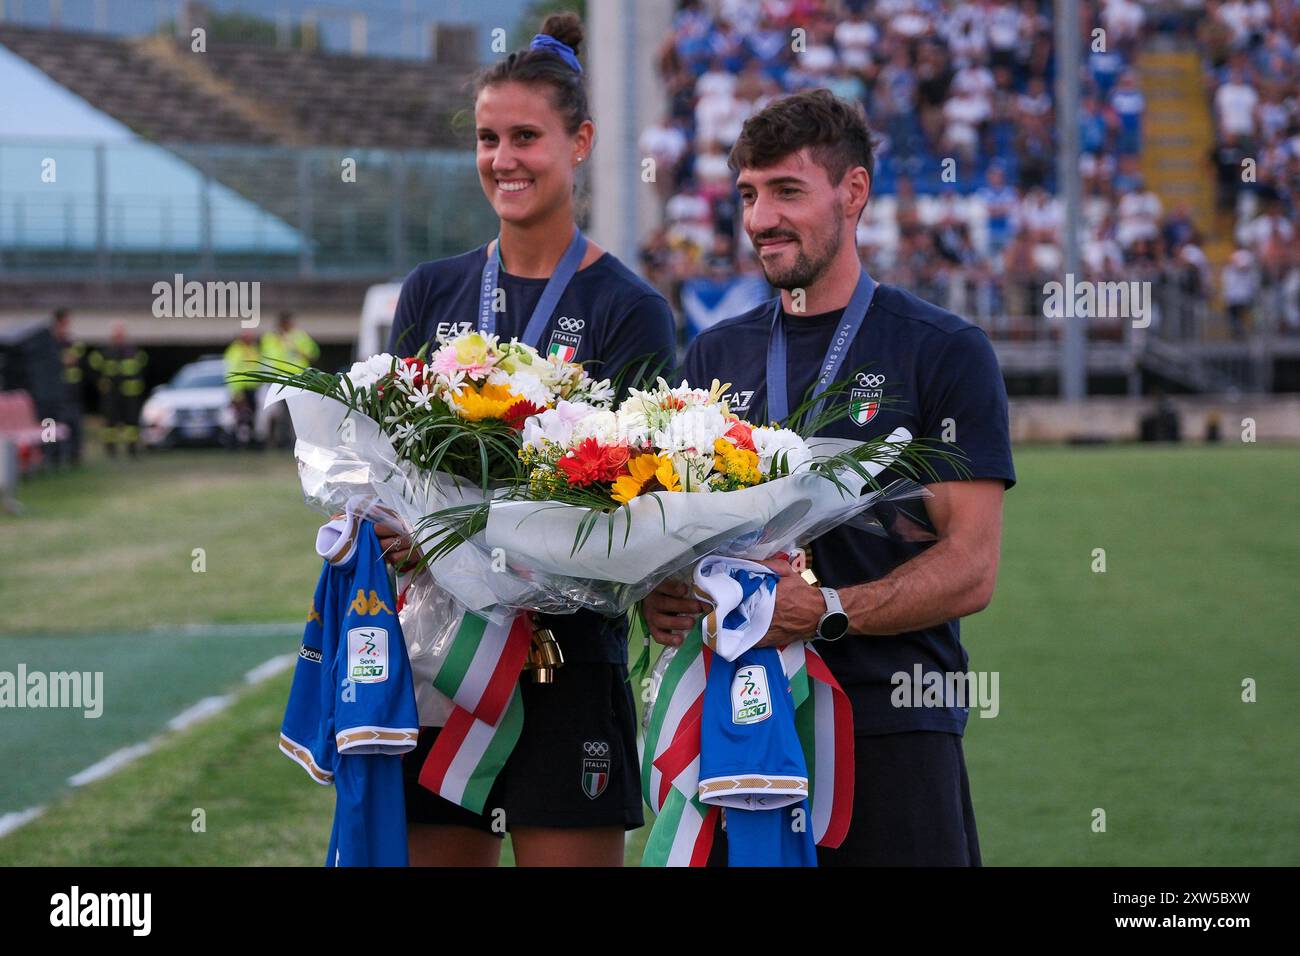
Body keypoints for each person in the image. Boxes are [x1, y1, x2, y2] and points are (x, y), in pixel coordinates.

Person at [642, 89, 1016, 866]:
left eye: (786, 191)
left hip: (893, 722)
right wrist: (664, 593)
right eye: (748, 193)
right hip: (741, 718)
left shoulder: (943, 349)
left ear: (852, 193)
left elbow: (971, 567)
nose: (760, 218)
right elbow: (683, 541)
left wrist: (828, 609)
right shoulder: (715, 356)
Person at [379, 11, 677, 867]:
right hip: (440, 660)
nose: (502, 159)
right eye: (486, 138)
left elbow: (639, 502)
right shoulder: (431, 293)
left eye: (525, 137)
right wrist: (387, 526)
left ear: (580, 143)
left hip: (568, 664)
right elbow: (386, 465)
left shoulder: (630, 309)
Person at [88, 321, 148, 458]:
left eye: (121, 332)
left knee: (131, 423)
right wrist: (99, 382)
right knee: (110, 423)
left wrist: (138, 385)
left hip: (130, 394)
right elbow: (91, 367)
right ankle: (111, 451)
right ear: (112, 334)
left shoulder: (133, 351)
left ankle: (132, 449)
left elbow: (143, 369)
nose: (119, 336)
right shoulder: (104, 351)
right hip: (111, 394)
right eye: (117, 333)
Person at [261, 312, 318, 447]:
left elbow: (313, 353)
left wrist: (295, 347)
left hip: (297, 378)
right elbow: (267, 356)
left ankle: (295, 439)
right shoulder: (270, 338)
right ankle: (277, 440)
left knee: (296, 411)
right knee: (276, 412)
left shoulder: (299, 336)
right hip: (277, 379)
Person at [50, 308, 86, 467]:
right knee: (50, 426)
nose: (67, 327)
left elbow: (74, 359)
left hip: (72, 395)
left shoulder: (71, 343)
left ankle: (74, 456)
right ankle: (51, 457)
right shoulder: (49, 343)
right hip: (53, 395)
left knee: (74, 427)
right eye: (65, 323)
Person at [223, 328, 262, 448]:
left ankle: (249, 440)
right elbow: (232, 371)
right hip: (241, 388)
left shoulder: (253, 349)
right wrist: (236, 391)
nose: (252, 338)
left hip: (252, 388)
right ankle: (236, 442)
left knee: (250, 416)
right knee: (240, 417)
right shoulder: (235, 350)